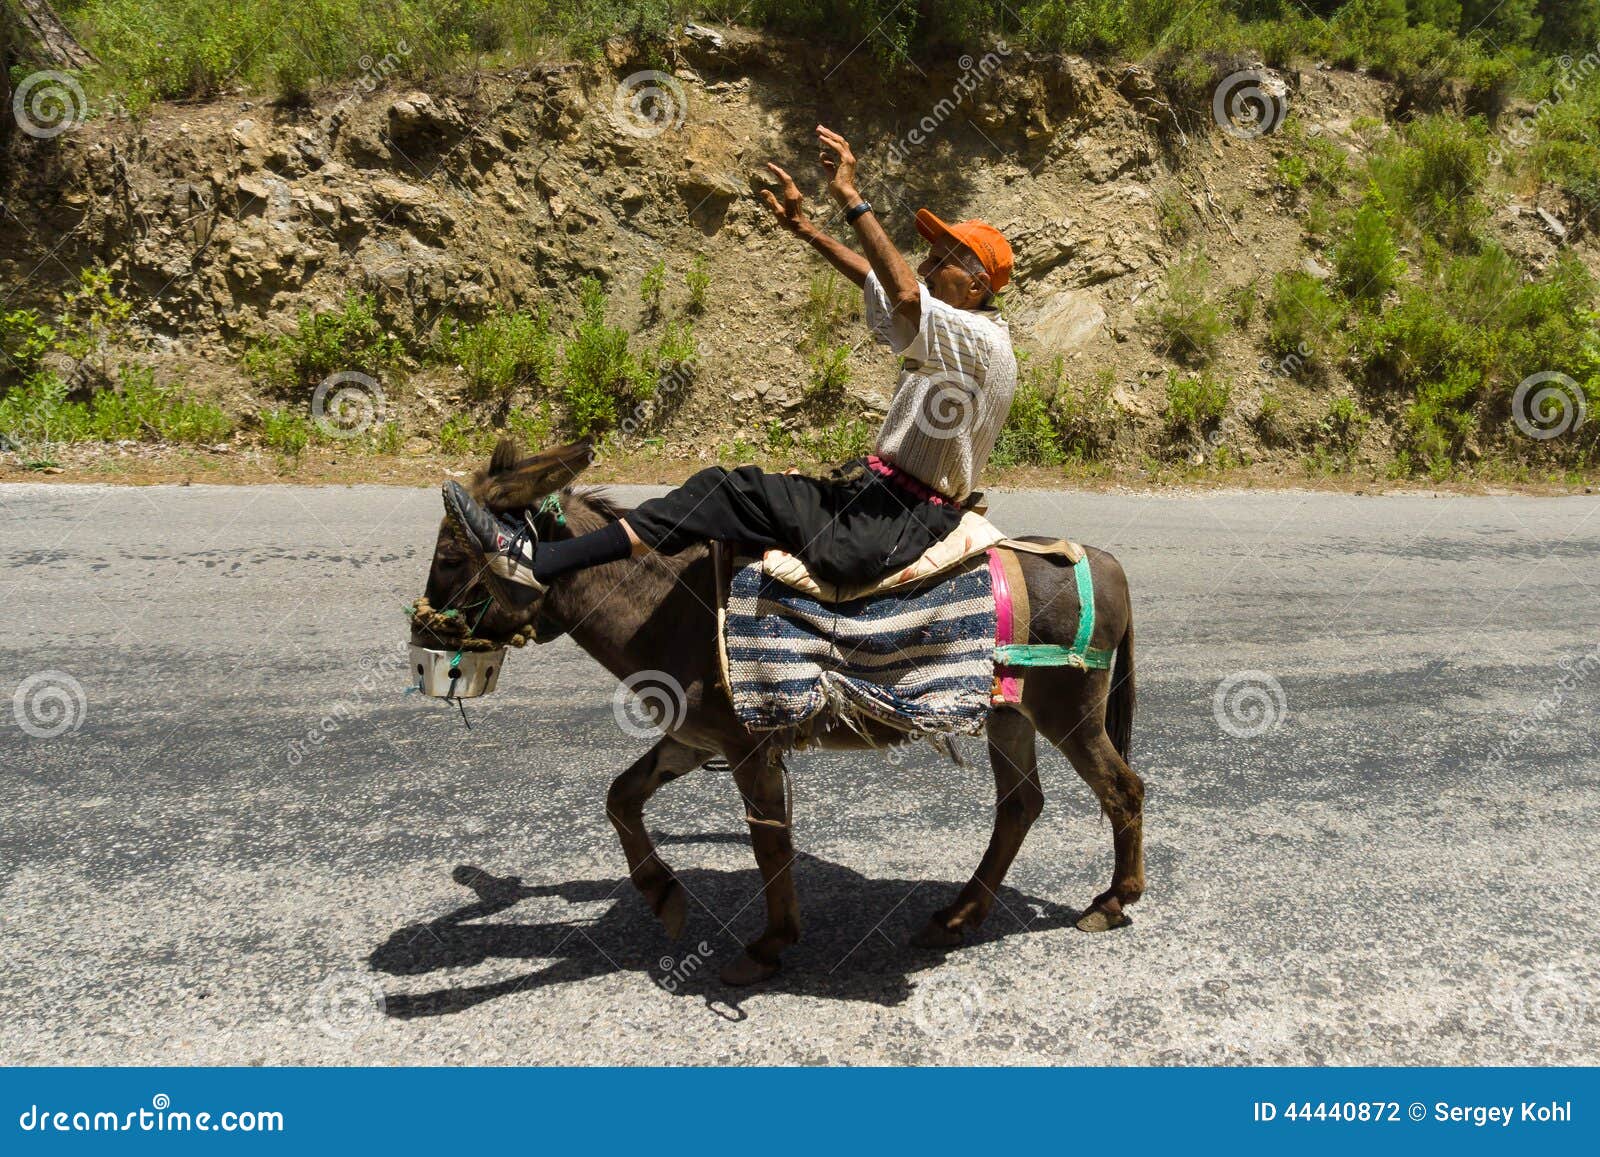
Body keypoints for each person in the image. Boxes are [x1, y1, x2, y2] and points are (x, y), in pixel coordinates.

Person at [445, 124, 1017, 614]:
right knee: (742, 500)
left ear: (975, 287)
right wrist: (808, 231)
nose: (926, 267)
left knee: (722, 490)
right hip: (876, 500)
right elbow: (885, 286)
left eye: (940, 261)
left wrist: (851, 197)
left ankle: (541, 563)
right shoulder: (960, 331)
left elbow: (905, 293)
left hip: (894, 521)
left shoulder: (979, 341)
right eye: (928, 257)